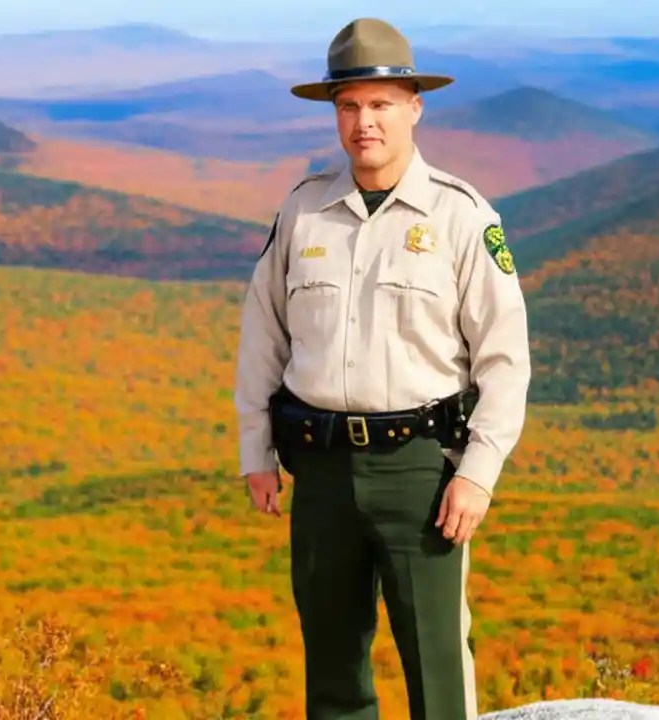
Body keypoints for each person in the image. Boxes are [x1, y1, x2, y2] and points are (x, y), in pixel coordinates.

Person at [232, 17, 531, 720]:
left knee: (436, 670)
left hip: (421, 472)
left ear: (414, 107)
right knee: (333, 671)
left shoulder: (461, 217)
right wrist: (255, 449)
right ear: (335, 113)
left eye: (381, 104)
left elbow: (505, 360)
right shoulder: (304, 211)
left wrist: (477, 475)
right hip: (321, 471)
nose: (364, 122)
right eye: (349, 105)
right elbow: (262, 337)